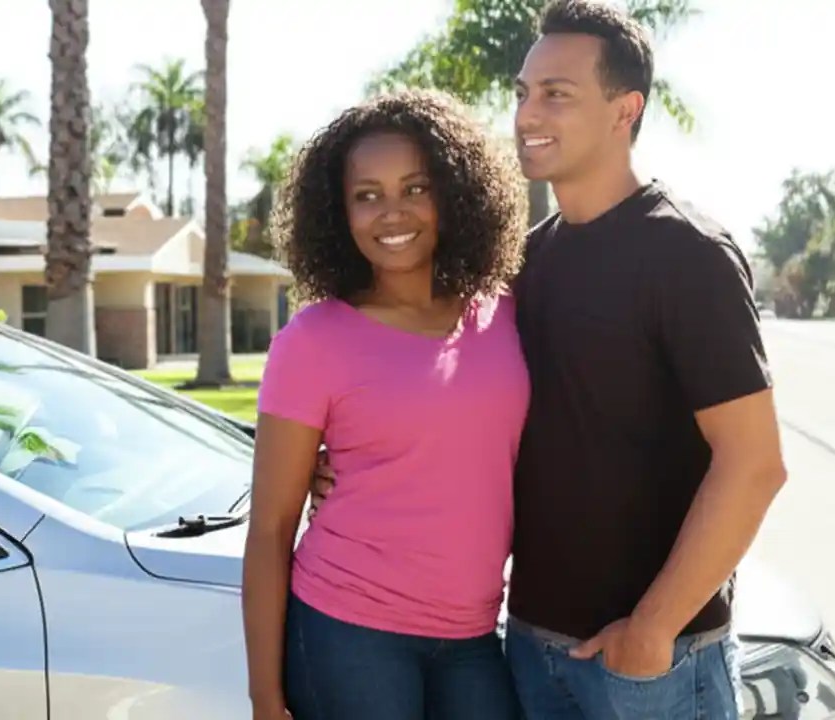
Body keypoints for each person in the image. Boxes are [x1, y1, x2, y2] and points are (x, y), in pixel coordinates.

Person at [308, 1, 789, 718]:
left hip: (651, 665)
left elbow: (754, 464)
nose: (529, 113)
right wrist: (339, 456)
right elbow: (458, 402)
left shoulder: (688, 255)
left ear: (625, 109)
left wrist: (653, 628)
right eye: (524, 92)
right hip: (530, 651)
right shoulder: (527, 262)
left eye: (557, 94)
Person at [240, 88, 528, 720]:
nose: (391, 213)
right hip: (349, 629)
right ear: (338, 213)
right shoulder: (313, 342)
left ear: (454, 193)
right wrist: (265, 696)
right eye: (366, 195)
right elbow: (268, 530)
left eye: (415, 188)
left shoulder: (504, 311)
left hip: (474, 632)